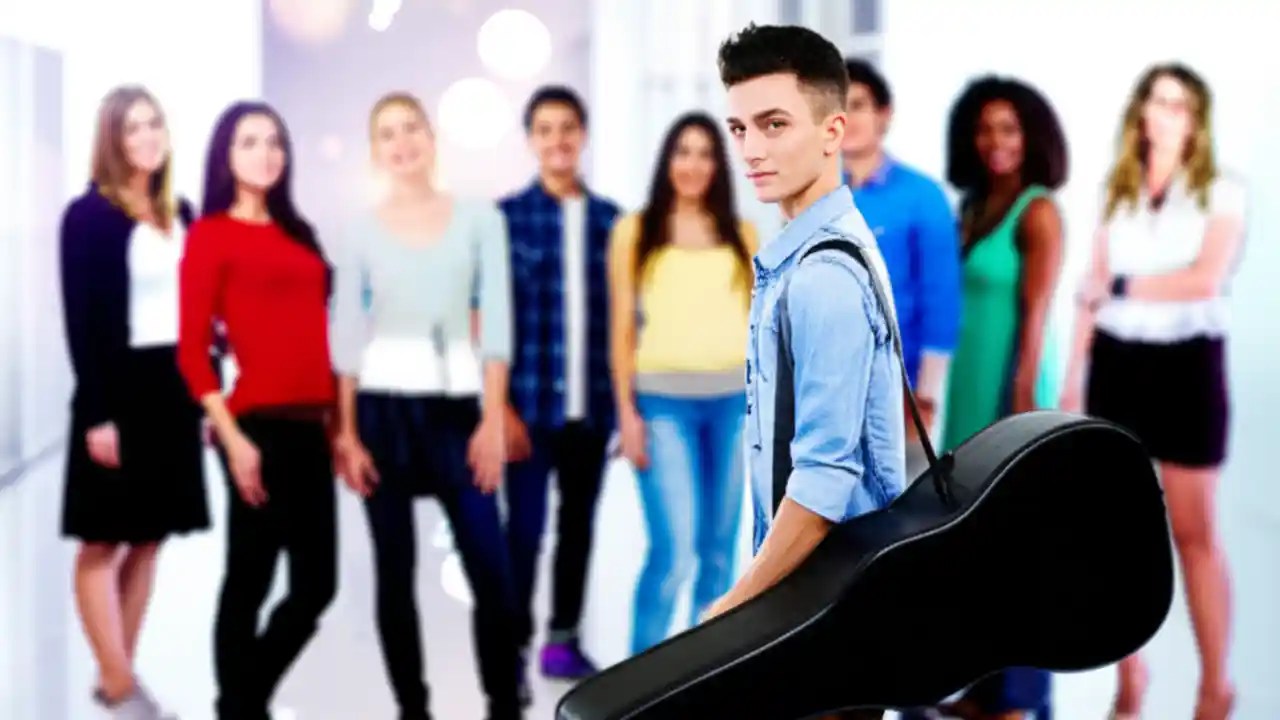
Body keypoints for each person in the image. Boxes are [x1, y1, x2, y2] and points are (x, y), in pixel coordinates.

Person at [701, 23, 907, 720]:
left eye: (773, 123)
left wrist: (734, 607)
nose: (751, 150)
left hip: (831, 612)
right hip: (812, 598)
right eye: (738, 128)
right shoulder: (801, 256)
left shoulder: (822, 277)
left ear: (833, 130)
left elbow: (823, 483)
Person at [329, 91, 524, 720]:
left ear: (432, 138)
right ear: (375, 150)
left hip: (456, 412)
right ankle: (412, 708)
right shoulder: (359, 230)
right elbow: (348, 337)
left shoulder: (478, 220)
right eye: (388, 133)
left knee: (490, 572)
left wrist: (493, 421)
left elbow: (496, 323)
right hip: (382, 415)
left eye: (412, 128)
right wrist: (348, 433)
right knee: (393, 574)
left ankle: (502, 701)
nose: (402, 141)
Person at [1062, 64, 1243, 720]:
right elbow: (1089, 287)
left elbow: (1203, 280)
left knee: (1195, 530)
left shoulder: (1223, 193)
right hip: (1115, 365)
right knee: (1120, 532)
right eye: (1157, 102)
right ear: (1142, 112)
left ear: (1195, 121)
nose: (1166, 115)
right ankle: (1130, 677)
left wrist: (1119, 289)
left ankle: (1215, 682)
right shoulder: (1116, 193)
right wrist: (1070, 381)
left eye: (1180, 105)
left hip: (1188, 367)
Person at [178, 101, 338, 720]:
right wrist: (232, 439)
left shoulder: (299, 232)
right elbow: (193, 352)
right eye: (249, 142)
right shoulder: (211, 233)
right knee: (249, 579)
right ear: (226, 155)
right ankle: (241, 707)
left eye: (275, 141)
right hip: (255, 429)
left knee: (317, 584)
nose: (266, 153)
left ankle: (242, 702)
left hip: (311, 426)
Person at [58, 84, 207, 720]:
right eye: (132, 129)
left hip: (174, 388)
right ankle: (122, 688)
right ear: (112, 141)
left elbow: (199, 313)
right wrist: (97, 413)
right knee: (102, 539)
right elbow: (81, 319)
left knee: (147, 538)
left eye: (155, 125)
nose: (146, 138)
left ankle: (112, 675)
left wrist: (207, 398)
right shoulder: (87, 216)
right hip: (117, 389)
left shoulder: (185, 212)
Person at [932, 75, 1069, 720]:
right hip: (964, 398)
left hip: (1009, 398)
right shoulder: (970, 207)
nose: (995, 141)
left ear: (1031, 136)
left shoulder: (1037, 210)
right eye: (985, 128)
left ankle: (1021, 699)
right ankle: (984, 690)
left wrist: (1020, 419)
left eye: (1008, 128)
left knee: (1021, 554)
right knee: (975, 549)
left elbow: (1035, 317)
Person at [608, 111, 758, 655]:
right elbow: (621, 329)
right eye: (682, 152)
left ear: (719, 165)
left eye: (704, 153)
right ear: (666, 161)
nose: (692, 165)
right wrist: (626, 415)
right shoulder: (635, 230)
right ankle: (636, 696)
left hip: (733, 407)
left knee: (720, 555)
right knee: (672, 554)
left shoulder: (742, 233)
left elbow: (755, 328)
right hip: (662, 405)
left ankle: (701, 690)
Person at [499, 85, 623, 687]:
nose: (558, 140)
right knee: (522, 534)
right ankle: (514, 650)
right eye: (545, 130)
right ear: (530, 140)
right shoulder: (506, 218)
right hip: (527, 408)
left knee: (578, 529)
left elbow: (626, 320)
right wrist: (498, 407)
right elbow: (491, 322)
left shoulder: (611, 222)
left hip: (591, 408)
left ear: (583, 136)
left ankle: (562, 642)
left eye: (568, 128)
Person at [840, 58, 962, 448]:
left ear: (884, 114)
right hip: (825, 393)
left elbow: (941, 300)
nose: (847, 117)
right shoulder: (811, 197)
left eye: (857, 104)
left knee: (900, 506)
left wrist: (924, 395)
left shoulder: (923, 197)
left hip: (897, 390)